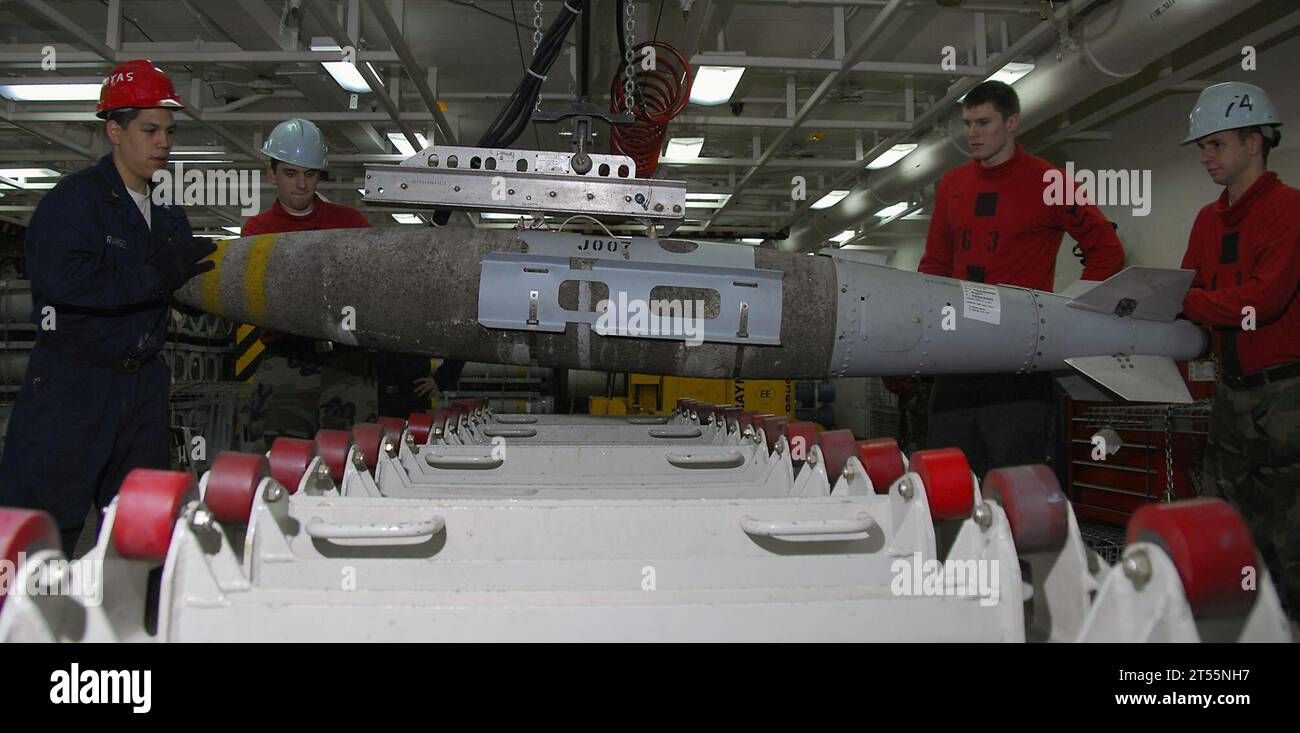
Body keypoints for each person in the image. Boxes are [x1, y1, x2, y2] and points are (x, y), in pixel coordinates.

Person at [0, 60, 215, 556]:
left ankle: (137, 628)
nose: (163, 142)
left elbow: (180, 283)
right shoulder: (74, 202)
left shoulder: (167, 210)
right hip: (73, 382)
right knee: (43, 528)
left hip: (142, 385)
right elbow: (65, 282)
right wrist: (154, 277)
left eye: (169, 131)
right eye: (150, 129)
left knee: (145, 522)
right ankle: (26, 626)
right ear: (115, 131)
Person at [918, 80, 1125, 480]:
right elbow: (935, 265)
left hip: (1017, 362)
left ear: (1012, 122)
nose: (973, 134)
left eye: (983, 122)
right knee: (946, 479)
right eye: (967, 124)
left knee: (1016, 483)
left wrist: (1071, 316)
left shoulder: (1050, 183)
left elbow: (1106, 250)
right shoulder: (952, 186)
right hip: (957, 357)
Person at [1177, 81, 1299, 617]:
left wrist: (1195, 302)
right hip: (1231, 394)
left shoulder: (1288, 210)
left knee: (1290, 532)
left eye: (1217, 144)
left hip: (1284, 397)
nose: (1207, 157)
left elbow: (1264, 300)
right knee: (1227, 523)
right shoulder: (1208, 219)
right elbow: (1184, 287)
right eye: (1203, 147)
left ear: (1255, 143)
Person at [239, 118, 380, 447]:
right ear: (271, 173)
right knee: (279, 459)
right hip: (287, 362)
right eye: (290, 173)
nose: (301, 184)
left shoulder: (350, 223)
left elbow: (370, 287)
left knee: (354, 464)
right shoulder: (257, 233)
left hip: (349, 365)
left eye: (310, 174)